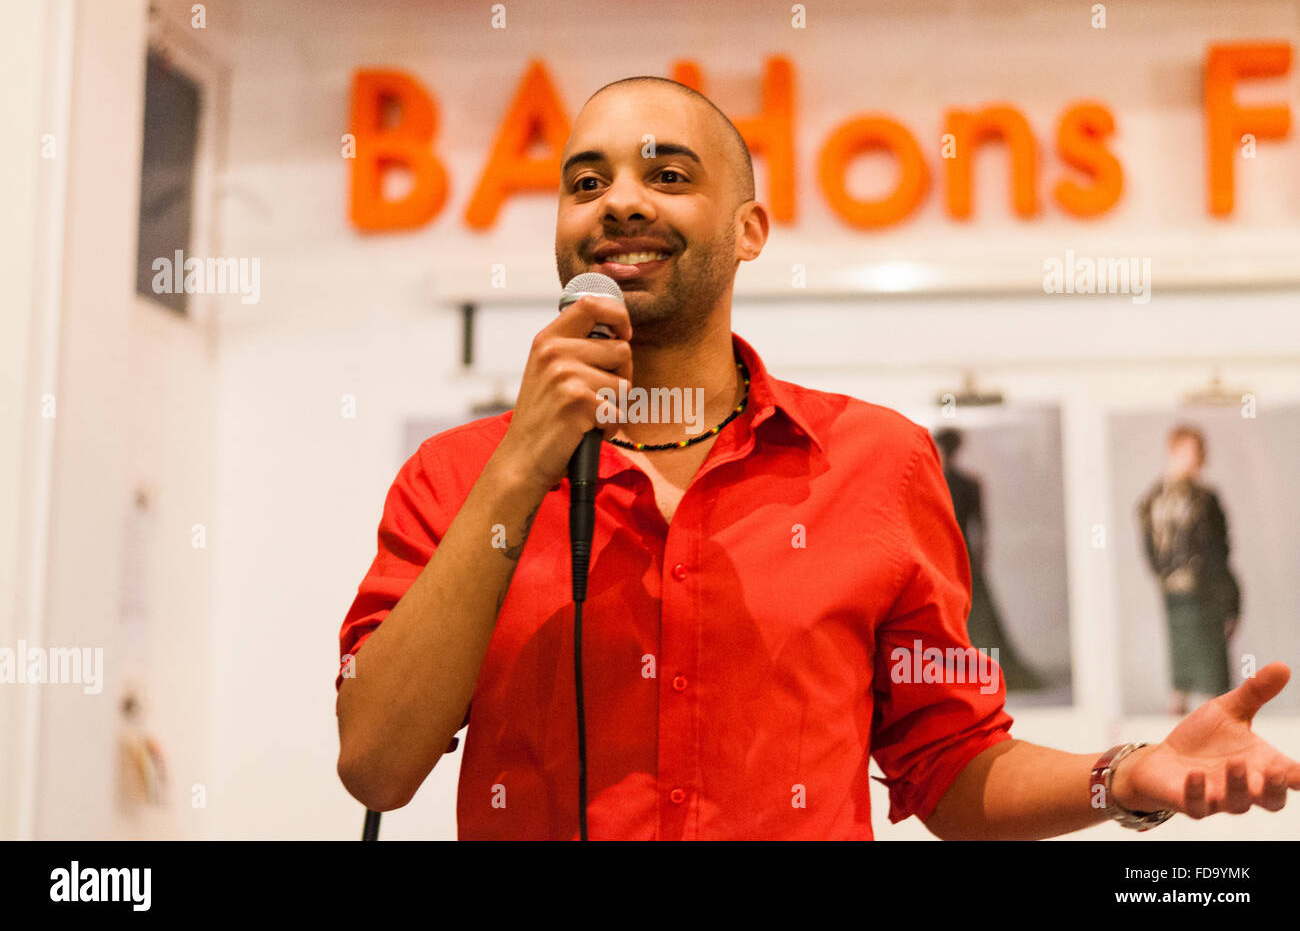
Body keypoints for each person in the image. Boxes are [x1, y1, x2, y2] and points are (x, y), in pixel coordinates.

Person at [335, 76, 1299, 839]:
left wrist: (1122, 775)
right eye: (585, 182)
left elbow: (949, 762)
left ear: (751, 230)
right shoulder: (456, 477)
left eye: (668, 176)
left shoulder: (878, 464)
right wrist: (519, 468)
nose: (619, 201)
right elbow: (377, 765)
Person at [1137, 425, 1242, 715]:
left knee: (1212, 671)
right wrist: (1163, 574)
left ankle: (1213, 725)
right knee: (1181, 665)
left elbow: (1220, 552)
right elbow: (1151, 544)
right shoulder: (1154, 500)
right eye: (1194, 451)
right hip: (1177, 590)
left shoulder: (1205, 498)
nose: (1198, 459)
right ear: (1177, 450)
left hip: (1207, 590)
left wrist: (1231, 597)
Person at [932, 427, 1044, 691]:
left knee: (974, 613)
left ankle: (971, 671)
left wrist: (980, 558)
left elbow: (979, 526)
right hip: (952, 555)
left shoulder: (958, 483)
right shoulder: (954, 482)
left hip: (956, 555)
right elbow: (980, 527)